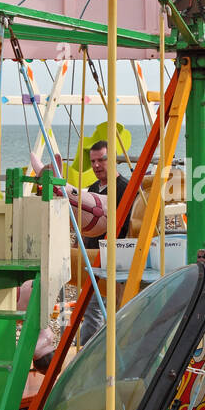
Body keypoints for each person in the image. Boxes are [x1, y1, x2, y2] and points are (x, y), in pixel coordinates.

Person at [74, 140, 129, 342]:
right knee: (91, 312)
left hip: (112, 260)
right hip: (91, 257)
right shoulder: (93, 188)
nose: (96, 165)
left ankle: (91, 357)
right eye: (93, 161)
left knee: (96, 313)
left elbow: (128, 227)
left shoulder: (125, 188)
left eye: (101, 160)